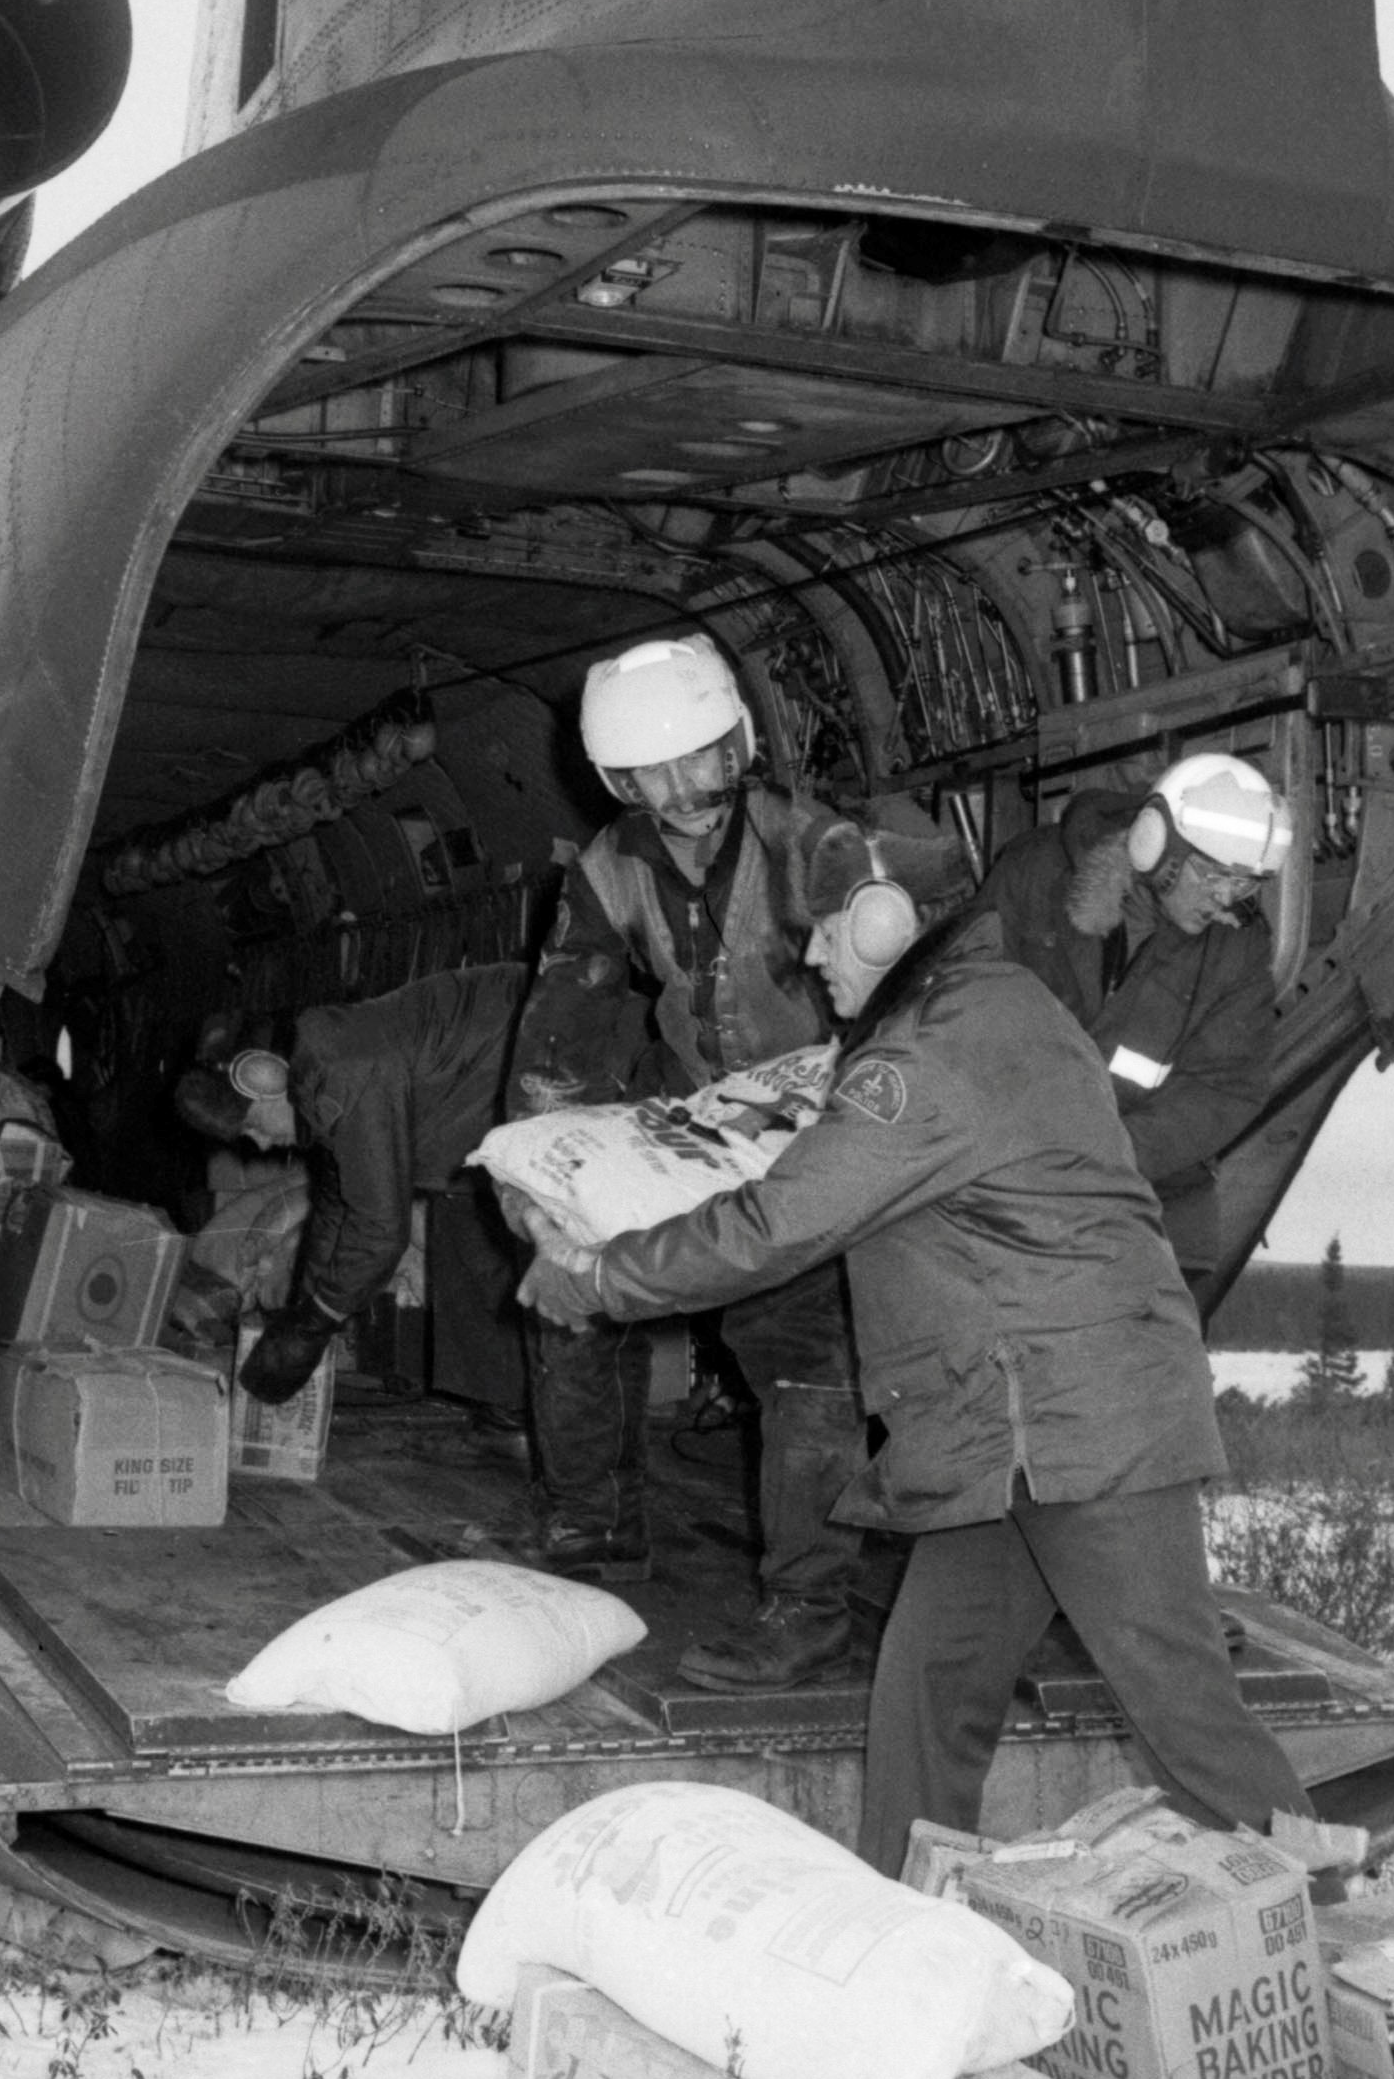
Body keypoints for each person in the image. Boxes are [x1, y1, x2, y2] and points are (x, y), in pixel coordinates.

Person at [515, 819, 1320, 1877]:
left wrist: (598, 1278)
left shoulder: (934, 1051)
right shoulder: (992, 1007)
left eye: (825, 934)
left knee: (1184, 1713)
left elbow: (778, 1224)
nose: (807, 956)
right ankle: (902, 1913)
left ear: (888, 922)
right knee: (930, 1686)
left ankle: (1338, 1928)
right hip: (1020, 1435)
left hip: (1078, 1428)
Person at [504, 634, 968, 1689]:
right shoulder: (607, 871)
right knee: (564, 1289)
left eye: (701, 763)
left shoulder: (812, 843)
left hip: (825, 1140)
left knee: (800, 1358)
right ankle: (596, 1532)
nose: (680, 792)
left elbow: (891, 923)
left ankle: (806, 1607)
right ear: (614, 781)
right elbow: (560, 1035)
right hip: (697, 1131)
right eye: (647, 776)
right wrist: (549, 1189)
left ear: (739, 748)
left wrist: (876, 913)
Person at [973, 752, 1292, 1300]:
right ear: (1155, 844)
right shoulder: (1037, 874)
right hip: (1002, 1169)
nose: (1225, 900)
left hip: (1143, 1199)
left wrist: (1107, 1151)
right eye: (1213, 874)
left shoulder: (1237, 949)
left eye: (1244, 884)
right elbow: (965, 1002)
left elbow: (1224, 1086)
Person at [192, 963, 530, 1406]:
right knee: (465, 1234)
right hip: (489, 1101)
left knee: (554, 1263)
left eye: (251, 1125)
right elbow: (337, 1207)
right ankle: (505, 1411)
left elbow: (381, 1229)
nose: (258, 1143)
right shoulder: (319, 1083)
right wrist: (301, 1306)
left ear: (267, 1078)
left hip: (550, 1057)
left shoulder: (342, 1070)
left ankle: (588, 1455)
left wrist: (315, 1324)